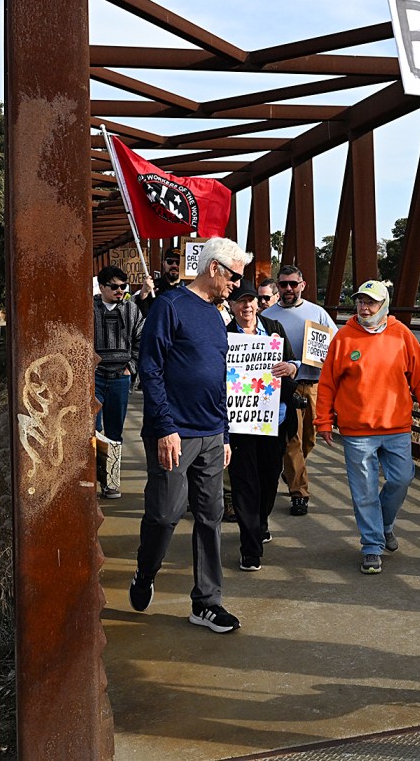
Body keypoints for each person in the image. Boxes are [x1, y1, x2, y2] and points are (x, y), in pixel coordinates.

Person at [129, 236, 250, 634]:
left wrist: (226, 432)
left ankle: (207, 603)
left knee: (211, 517)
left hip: (212, 434)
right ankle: (145, 573)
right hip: (175, 433)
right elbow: (150, 368)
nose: (237, 285)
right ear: (214, 269)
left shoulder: (216, 316)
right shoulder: (170, 306)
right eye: (234, 276)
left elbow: (219, 379)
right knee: (164, 515)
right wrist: (165, 428)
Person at [315, 279, 420, 574]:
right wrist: (324, 420)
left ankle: (383, 525)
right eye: (360, 301)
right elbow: (327, 383)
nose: (364, 307)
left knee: (402, 478)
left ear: (384, 305)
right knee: (364, 491)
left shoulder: (401, 334)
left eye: (370, 302)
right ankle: (371, 546)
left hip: (396, 426)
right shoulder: (344, 338)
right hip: (358, 430)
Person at [226, 283, 299, 571]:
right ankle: (250, 548)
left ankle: (261, 522)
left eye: (251, 302)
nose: (246, 307)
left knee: (270, 478)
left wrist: (291, 368)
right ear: (231, 306)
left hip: (275, 418)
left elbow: (293, 361)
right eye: (240, 302)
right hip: (239, 422)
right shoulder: (224, 334)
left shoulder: (274, 328)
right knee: (244, 482)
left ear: (258, 304)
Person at [262, 264, 335, 516]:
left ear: (303, 285)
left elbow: (335, 346)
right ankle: (299, 493)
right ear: (278, 287)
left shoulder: (319, 314)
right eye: (284, 284)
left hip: (314, 384)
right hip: (285, 387)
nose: (289, 289)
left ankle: (291, 470)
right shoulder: (268, 316)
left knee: (309, 439)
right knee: (292, 440)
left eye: (294, 284)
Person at [93, 265, 145, 499]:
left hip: (119, 378)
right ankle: (90, 479)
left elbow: (141, 340)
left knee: (115, 431)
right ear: (102, 287)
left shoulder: (132, 311)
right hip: (93, 376)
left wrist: (130, 368)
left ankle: (111, 482)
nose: (119, 290)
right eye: (114, 286)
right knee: (91, 429)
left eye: (123, 286)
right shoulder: (89, 309)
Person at [134, 246, 181, 318]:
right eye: (170, 262)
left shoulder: (190, 288)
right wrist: (144, 293)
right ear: (164, 264)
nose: (174, 265)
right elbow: (142, 315)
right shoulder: (153, 287)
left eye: (178, 262)